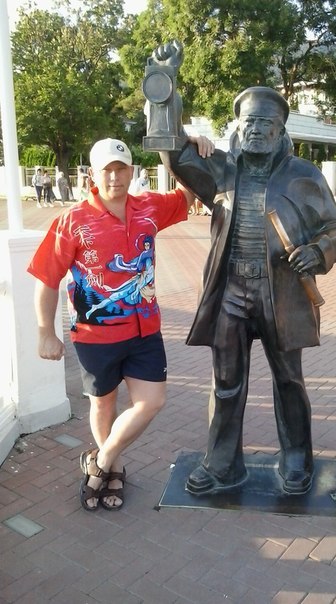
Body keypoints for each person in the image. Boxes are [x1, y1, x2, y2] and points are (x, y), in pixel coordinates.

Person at [151, 42, 336, 496]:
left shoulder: (304, 176)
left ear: (281, 131)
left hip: (282, 294)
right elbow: (171, 151)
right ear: (237, 129)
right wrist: (164, 89)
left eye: (267, 123)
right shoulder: (221, 171)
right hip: (232, 293)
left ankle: (297, 460)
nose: (257, 130)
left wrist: (320, 250)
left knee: (289, 381)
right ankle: (222, 464)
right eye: (249, 123)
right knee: (226, 383)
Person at [28, 135, 214, 512]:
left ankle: (100, 460)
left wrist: (187, 146)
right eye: (107, 170)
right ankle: (113, 469)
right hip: (95, 335)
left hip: (145, 331)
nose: (114, 177)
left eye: (121, 169)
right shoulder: (72, 221)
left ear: (131, 172)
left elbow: (187, 193)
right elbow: (47, 279)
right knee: (104, 405)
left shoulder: (149, 207)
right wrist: (45, 331)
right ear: (93, 176)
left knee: (152, 401)